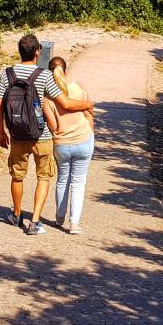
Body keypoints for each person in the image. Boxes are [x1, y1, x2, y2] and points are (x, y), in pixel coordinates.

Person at [0, 34, 93, 235]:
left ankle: (16, 213)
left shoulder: (7, 74)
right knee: (43, 177)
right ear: (37, 52)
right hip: (42, 136)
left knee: (17, 176)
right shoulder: (44, 76)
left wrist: (1, 132)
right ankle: (35, 222)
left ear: (19, 51)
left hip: (17, 134)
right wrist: (87, 105)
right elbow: (64, 103)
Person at [42, 57, 95, 234]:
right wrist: (90, 133)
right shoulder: (78, 88)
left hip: (62, 144)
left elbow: (54, 126)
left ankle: (59, 217)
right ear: (65, 71)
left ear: (50, 73)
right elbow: (89, 114)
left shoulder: (48, 98)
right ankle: (74, 223)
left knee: (62, 180)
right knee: (78, 183)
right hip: (84, 139)